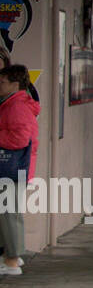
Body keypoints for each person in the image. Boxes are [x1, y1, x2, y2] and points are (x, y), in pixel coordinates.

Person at [0, 64, 40, 274]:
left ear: (15, 84)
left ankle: (12, 260)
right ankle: (10, 256)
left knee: (8, 213)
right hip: (15, 168)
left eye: (3, 82)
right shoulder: (13, 103)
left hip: (12, 169)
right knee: (7, 212)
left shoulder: (16, 106)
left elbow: (19, 138)